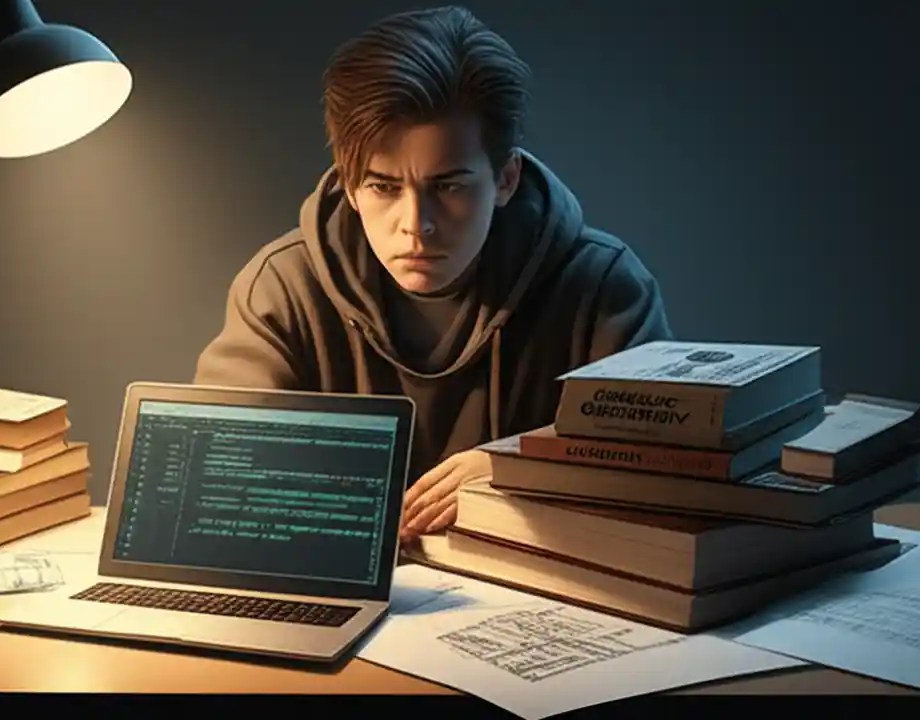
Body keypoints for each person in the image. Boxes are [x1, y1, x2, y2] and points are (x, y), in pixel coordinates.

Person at [193, 5, 672, 541]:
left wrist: (523, 466)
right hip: (345, 599)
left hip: (542, 601)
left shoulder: (603, 287)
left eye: (449, 187)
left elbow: (666, 471)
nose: (416, 225)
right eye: (383, 187)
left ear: (506, 178)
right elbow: (218, 478)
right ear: (349, 185)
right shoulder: (280, 293)